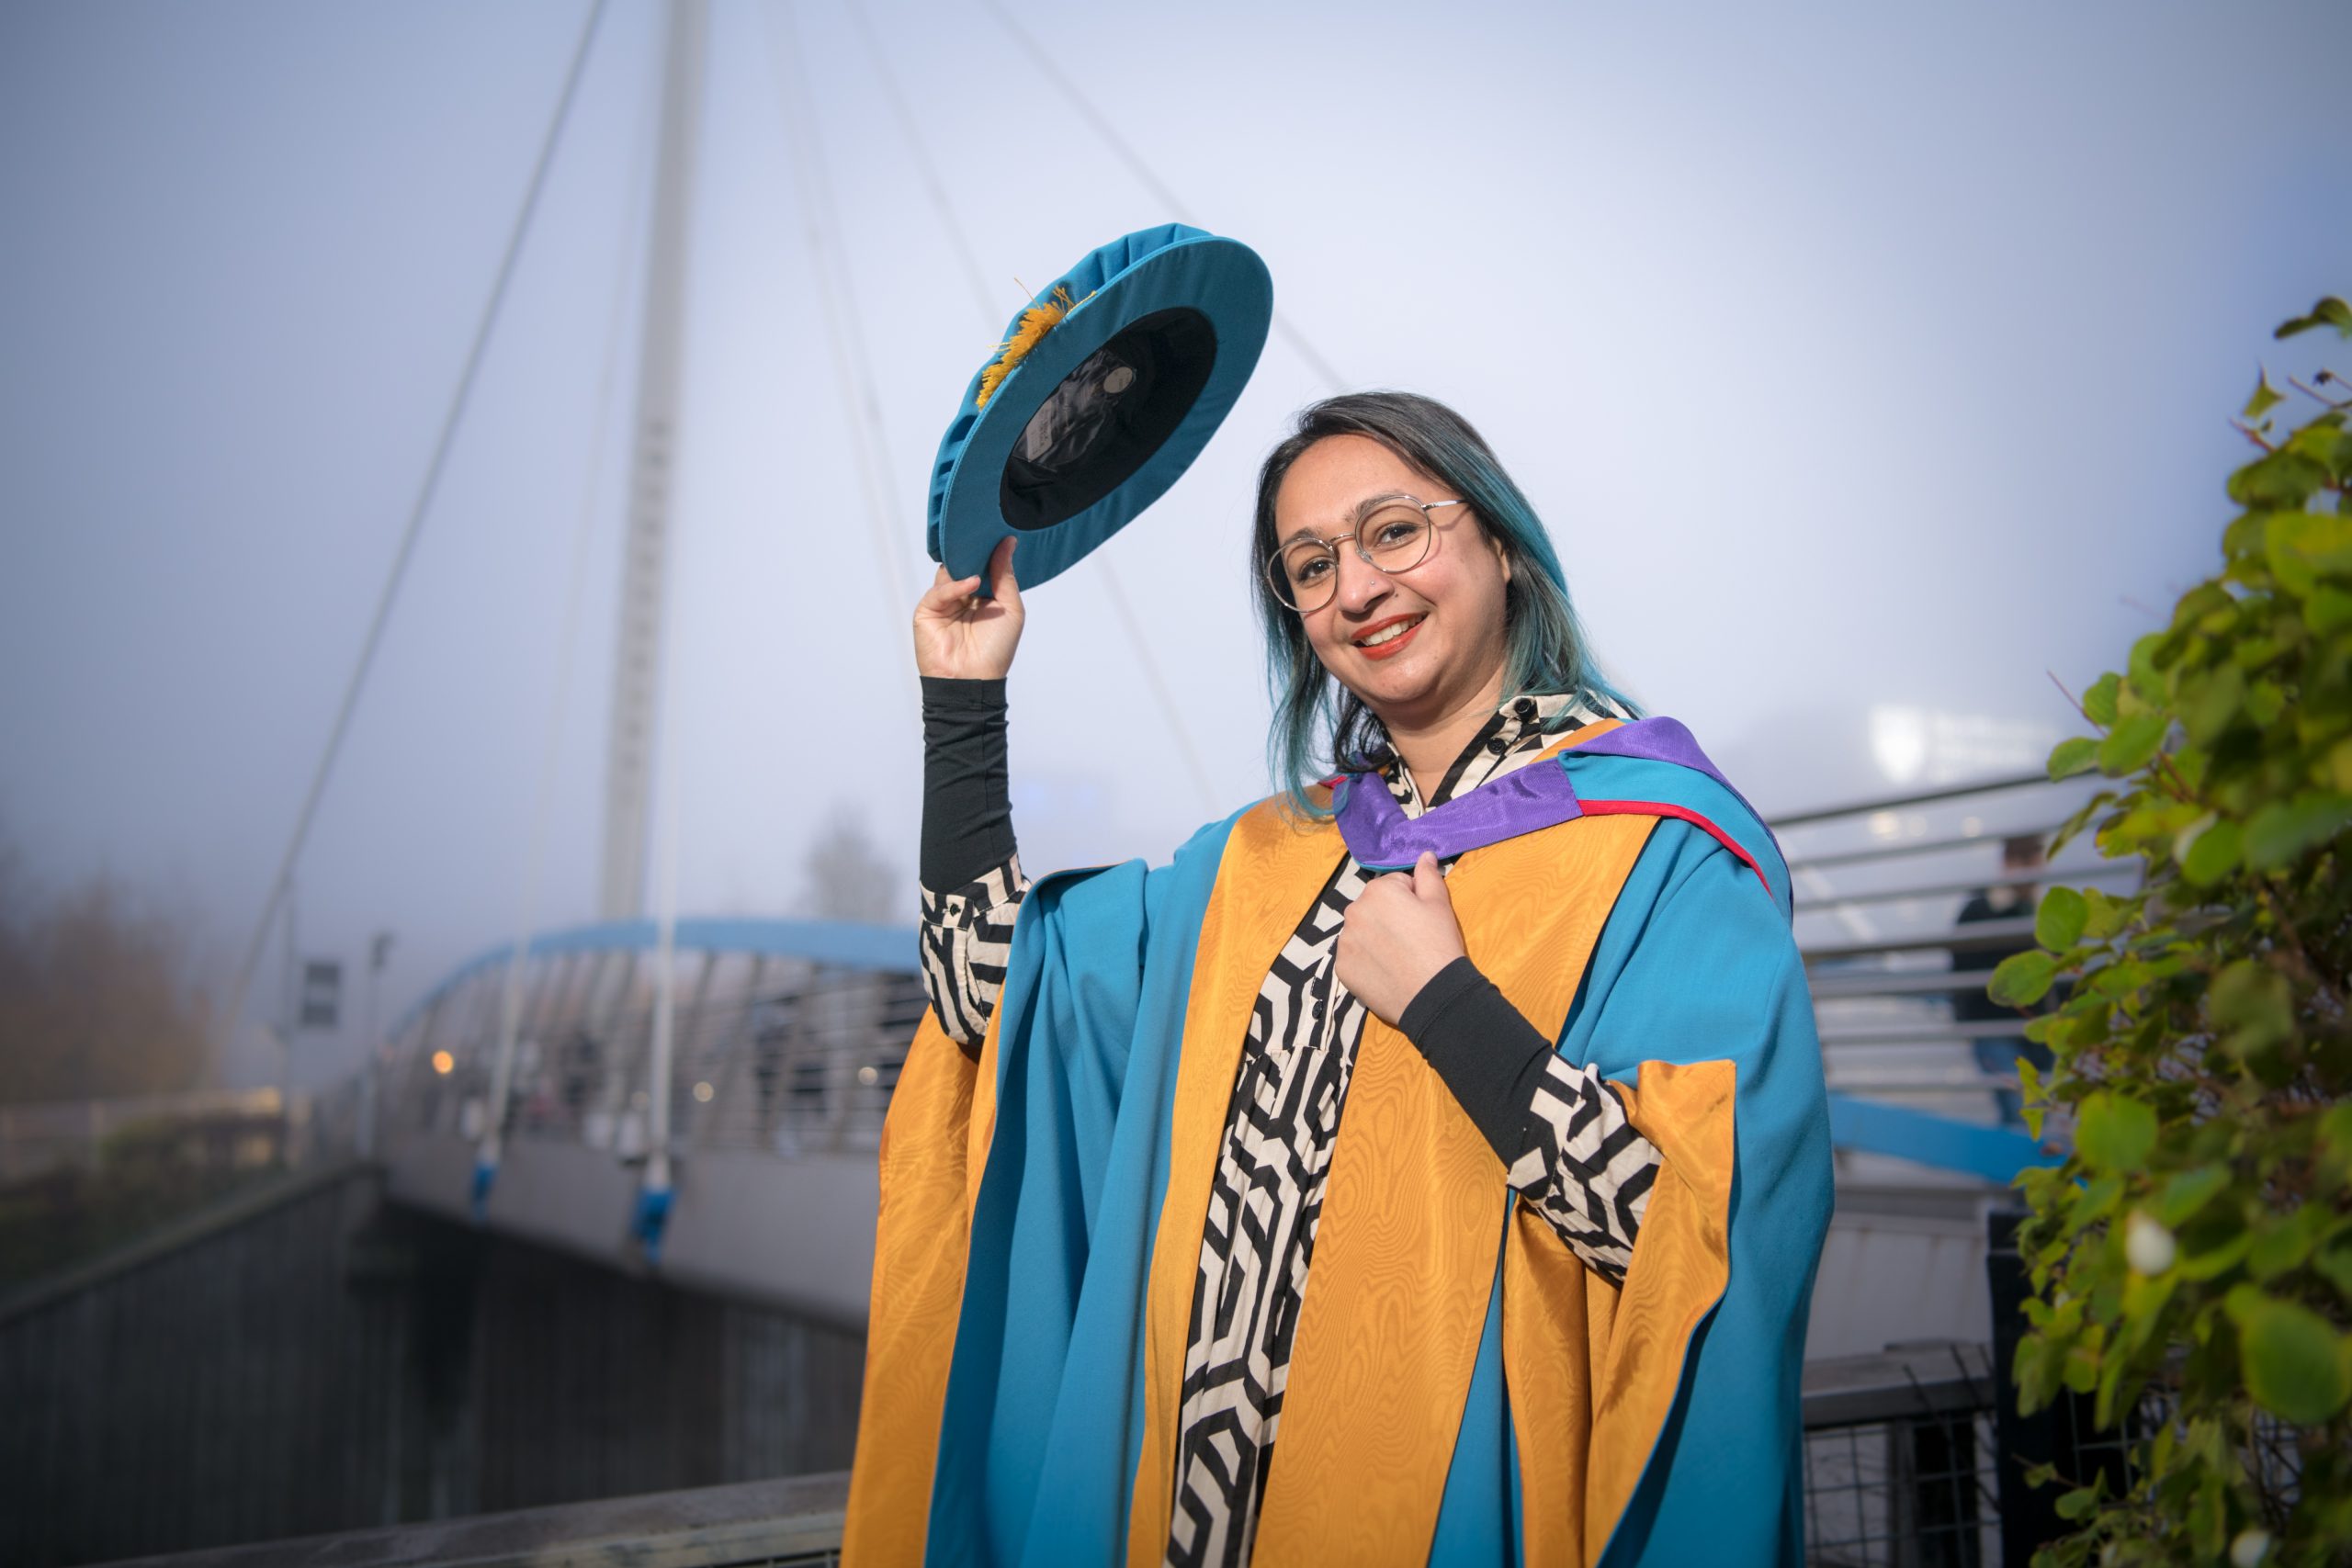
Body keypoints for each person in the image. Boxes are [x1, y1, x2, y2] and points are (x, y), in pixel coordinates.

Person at [843, 393, 1834, 1568]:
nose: (1355, 589)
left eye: (1394, 532)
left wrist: (1447, 1008)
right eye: (1309, 565)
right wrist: (963, 700)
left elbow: (1693, 1245)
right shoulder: (1258, 866)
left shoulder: (1656, 857)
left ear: (1503, 547)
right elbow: (981, 990)